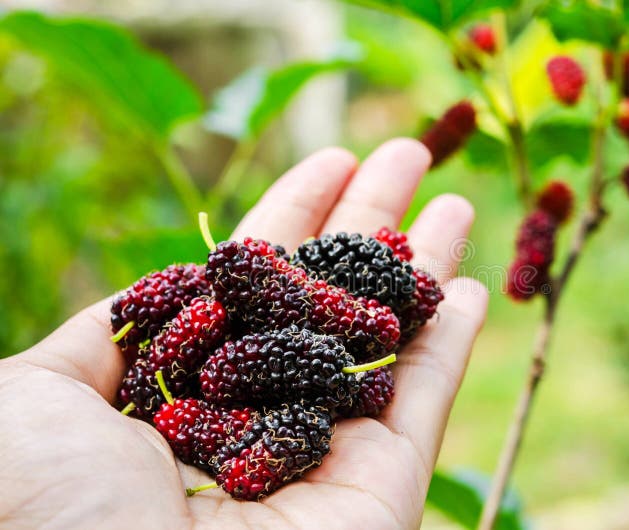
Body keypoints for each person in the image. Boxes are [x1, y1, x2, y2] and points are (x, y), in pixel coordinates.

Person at [0, 139, 488, 529]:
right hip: (223, 397)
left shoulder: (319, 327)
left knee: (327, 340)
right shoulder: (215, 345)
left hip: (315, 342)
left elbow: (306, 328)